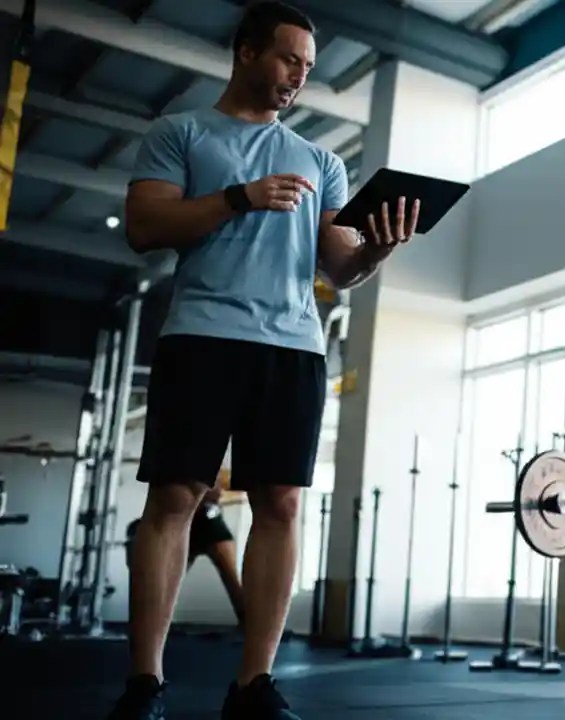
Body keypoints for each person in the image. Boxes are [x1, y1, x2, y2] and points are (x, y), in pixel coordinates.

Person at [107, 2, 421, 718]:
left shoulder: (320, 161)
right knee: (175, 499)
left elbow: (340, 268)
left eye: (307, 69)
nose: (297, 78)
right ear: (247, 51)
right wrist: (240, 198)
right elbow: (146, 227)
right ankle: (144, 683)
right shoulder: (180, 132)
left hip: (293, 346)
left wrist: (380, 245)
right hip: (202, 335)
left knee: (280, 504)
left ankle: (253, 685)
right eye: (288, 60)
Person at [125, 480, 246, 629]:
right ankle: (145, 626)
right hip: (178, 520)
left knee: (234, 583)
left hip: (208, 522)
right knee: (159, 584)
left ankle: (250, 627)